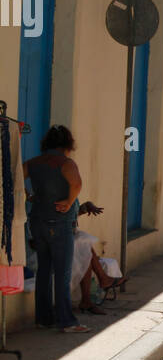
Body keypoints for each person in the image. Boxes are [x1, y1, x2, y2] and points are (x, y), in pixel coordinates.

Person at [23, 125, 88, 334]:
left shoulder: (33, 163)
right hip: (59, 224)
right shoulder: (66, 163)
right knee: (62, 273)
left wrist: (29, 196)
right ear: (67, 144)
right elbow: (76, 184)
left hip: (37, 222)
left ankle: (43, 318)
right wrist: (69, 203)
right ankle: (66, 321)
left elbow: (14, 179)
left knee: (43, 271)